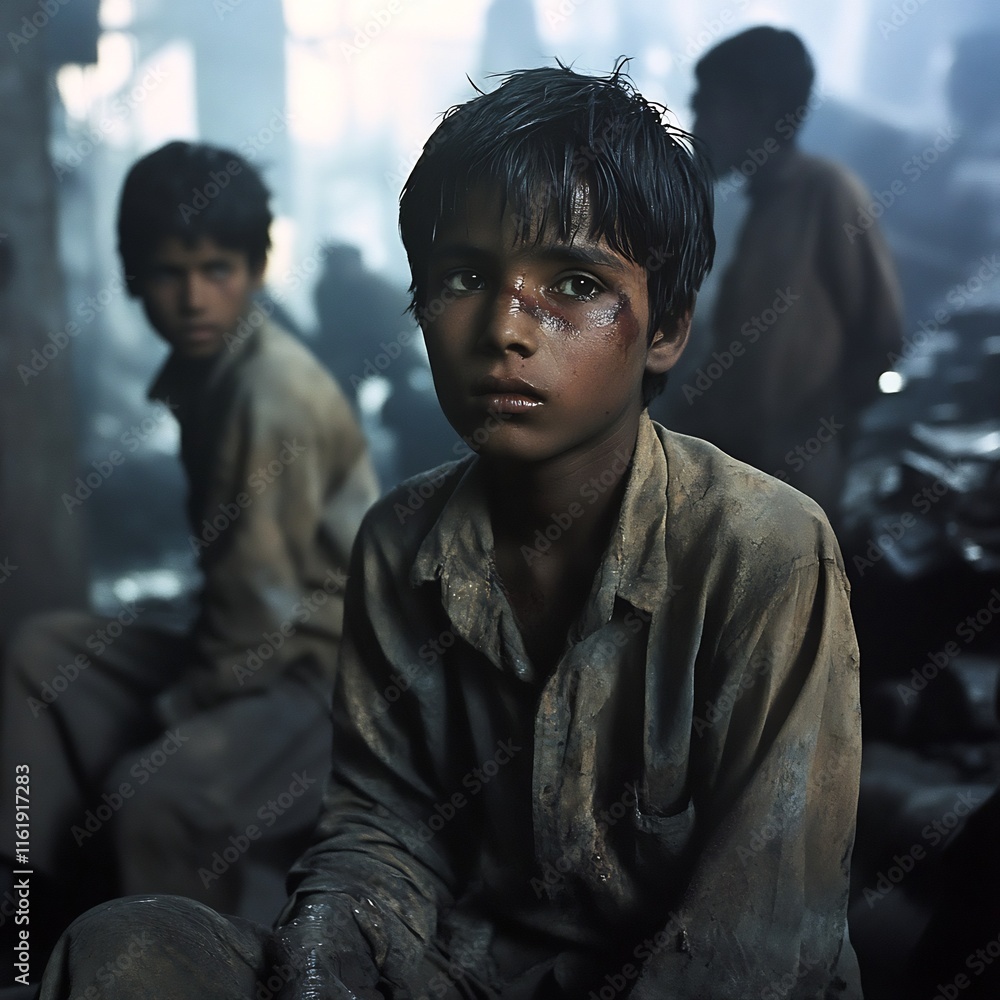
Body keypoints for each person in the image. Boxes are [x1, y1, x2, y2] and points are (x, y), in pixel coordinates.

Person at [39, 66, 862, 999]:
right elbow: (382, 822)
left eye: (575, 283)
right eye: (466, 277)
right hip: (470, 968)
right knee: (125, 949)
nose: (505, 327)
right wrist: (328, 953)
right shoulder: (399, 541)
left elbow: (754, 944)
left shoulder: (766, 553)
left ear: (666, 328)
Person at [1, 141, 379, 959]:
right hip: (242, 635)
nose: (195, 297)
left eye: (218, 270)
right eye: (170, 273)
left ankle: (176, 968)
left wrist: (165, 718)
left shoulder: (268, 393)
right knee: (43, 652)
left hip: (323, 677)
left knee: (156, 799)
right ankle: (25, 907)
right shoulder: (208, 369)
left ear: (256, 270)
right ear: (134, 277)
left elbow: (257, 626)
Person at [658, 26, 902, 523]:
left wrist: (819, 434)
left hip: (791, 485)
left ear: (759, 108)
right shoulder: (753, 203)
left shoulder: (827, 192)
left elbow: (882, 335)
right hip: (739, 474)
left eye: (709, 106)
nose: (696, 123)